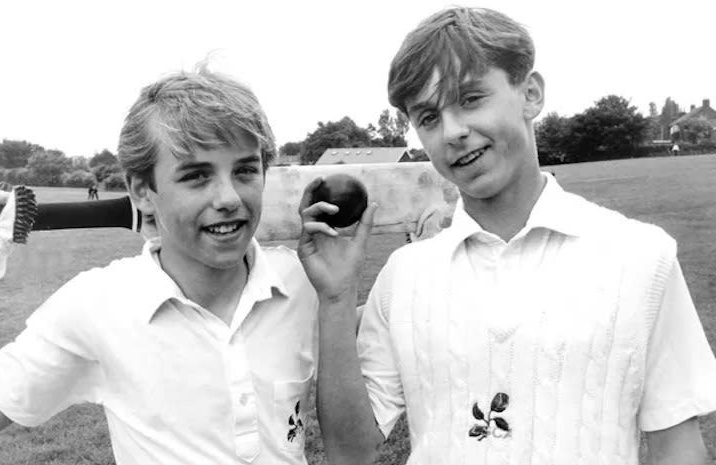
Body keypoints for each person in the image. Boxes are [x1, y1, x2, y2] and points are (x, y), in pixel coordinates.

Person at [298, 7, 716, 465]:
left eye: (471, 98)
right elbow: (349, 451)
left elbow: (678, 446)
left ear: (530, 94)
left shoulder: (641, 257)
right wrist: (337, 301)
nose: (453, 131)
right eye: (429, 118)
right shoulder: (405, 276)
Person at [0, 65, 320, 464]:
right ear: (141, 191)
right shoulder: (97, 304)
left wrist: (338, 295)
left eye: (245, 170)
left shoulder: (303, 282)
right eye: (197, 176)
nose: (229, 197)